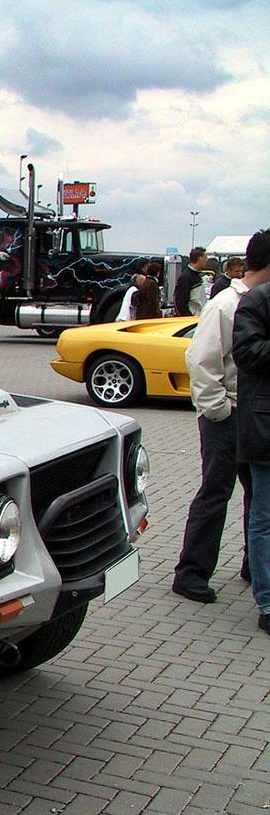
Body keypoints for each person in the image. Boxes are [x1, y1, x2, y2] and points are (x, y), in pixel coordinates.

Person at [172, 239, 265, 603]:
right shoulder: (225, 305)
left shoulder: (257, 302)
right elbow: (201, 360)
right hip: (226, 414)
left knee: (258, 494)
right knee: (215, 493)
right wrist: (219, 409)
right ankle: (191, 573)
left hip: (252, 413)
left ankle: (254, 565)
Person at [228, 230, 270, 633]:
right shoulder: (255, 301)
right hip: (264, 428)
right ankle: (268, 602)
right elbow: (247, 353)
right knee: (264, 518)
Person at [174, 246, 208, 316]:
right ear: (200, 259)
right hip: (193, 318)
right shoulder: (185, 277)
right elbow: (180, 303)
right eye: (205, 258)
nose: (206, 261)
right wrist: (189, 318)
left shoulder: (197, 275)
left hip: (200, 316)